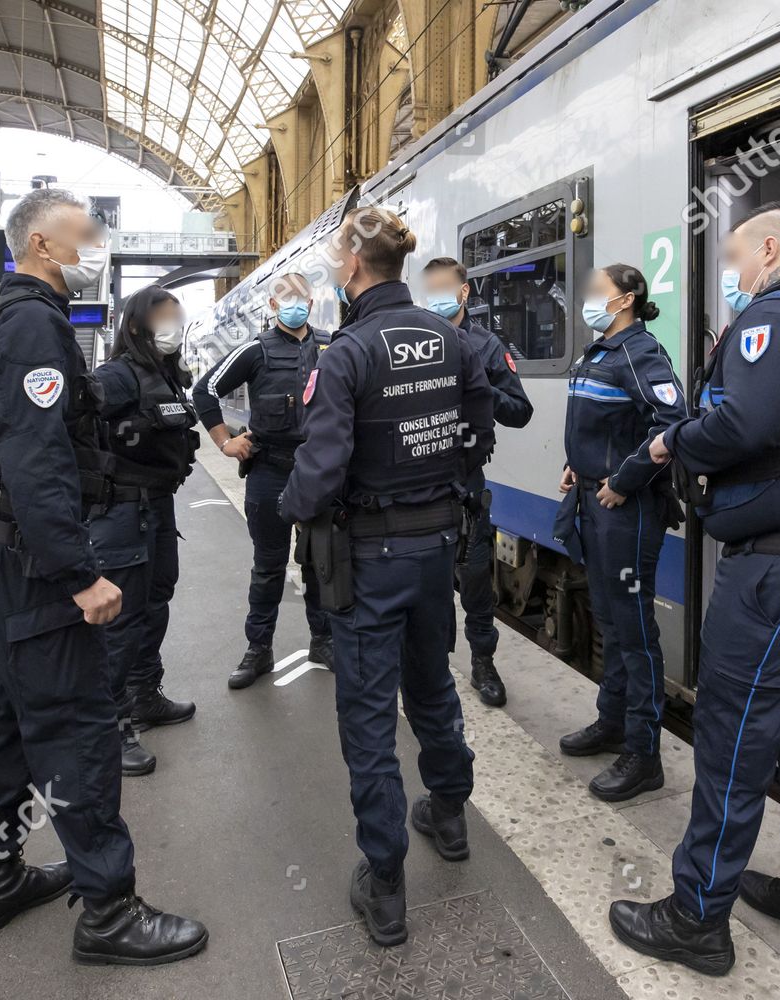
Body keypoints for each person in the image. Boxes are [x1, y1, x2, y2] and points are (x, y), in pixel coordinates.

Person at [608, 201, 780, 975]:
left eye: (736, 262)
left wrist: (671, 440)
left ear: (770, 250)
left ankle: (697, 917)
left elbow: (743, 425)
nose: (733, 278)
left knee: (733, 728)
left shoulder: (779, 315)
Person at [0, 187, 206, 964]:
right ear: (39, 244)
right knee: (75, 726)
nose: (95, 243)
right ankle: (108, 909)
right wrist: (78, 574)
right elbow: (38, 465)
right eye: (83, 233)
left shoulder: (15, 318)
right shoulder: (33, 324)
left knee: (3, 720)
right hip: (33, 563)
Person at [281, 206, 494, 947]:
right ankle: (450, 813)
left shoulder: (347, 353)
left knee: (369, 718)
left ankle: (388, 883)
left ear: (352, 267)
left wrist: (291, 504)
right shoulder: (453, 340)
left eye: (337, 259)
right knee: (432, 682)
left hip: (368, 562)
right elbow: (479, 433)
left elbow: (320, 470)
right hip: (436, 551)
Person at [555, 264, 685, 803]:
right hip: (591, 500)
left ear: (625, 300)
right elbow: (599, 424)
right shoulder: (599, 352)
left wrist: (623, 481)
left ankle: (644, 753)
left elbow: (672, 424)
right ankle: (612, 723)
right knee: (610, 620)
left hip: (624, 512)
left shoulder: (640, 352)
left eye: (596, 292)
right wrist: (576, 465)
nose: (587, 300)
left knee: (633, 632)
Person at [192, 273, 332, 687]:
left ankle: (324, 642)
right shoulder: (254, 351)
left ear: (311, 302)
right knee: (269, 566)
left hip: (316, 472)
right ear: (272, 306)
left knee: (319, 562)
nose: (295, 304)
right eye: (286, 298)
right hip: (269, 471)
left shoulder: (332, 345)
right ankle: (259, 651)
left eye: (302, 297)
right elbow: (205, 391)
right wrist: (224, 442)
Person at [88, 285, 200, 776]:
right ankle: (108, 730)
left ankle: (144, 695)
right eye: (162, 316)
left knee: (156, 601)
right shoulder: (115, 377)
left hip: (156, 507)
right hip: (119, 515)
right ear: (135, 326)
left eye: (176, 314)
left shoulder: (167, 376)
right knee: (122, 619)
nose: (172, 323)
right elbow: (80, 431)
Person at [421, 256, 534, 707]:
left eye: (443, 287)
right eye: (428, 288)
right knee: (428, 581)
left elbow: (520, 411)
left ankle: (483, 663)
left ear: (464, 292)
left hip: (465, 481)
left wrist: (481, 388)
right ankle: (432, 662)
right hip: (422, 481)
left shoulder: (487, 347)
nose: (435, 297)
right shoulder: (413, 341)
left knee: (474, 580)